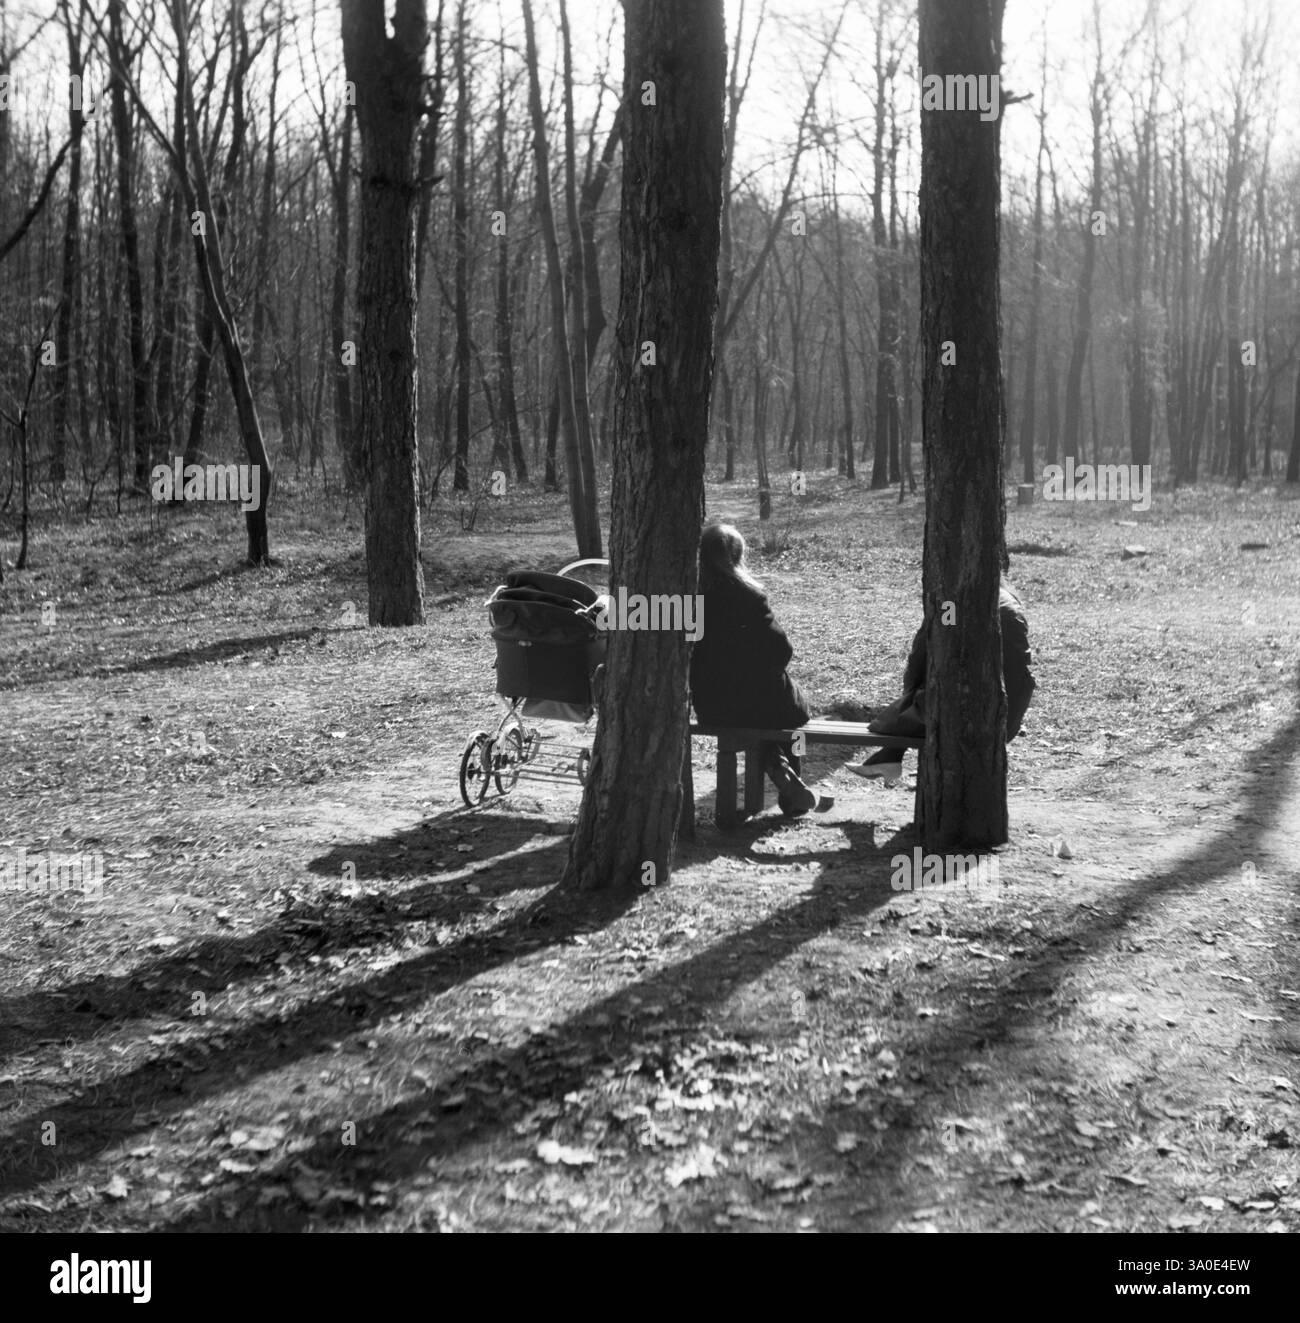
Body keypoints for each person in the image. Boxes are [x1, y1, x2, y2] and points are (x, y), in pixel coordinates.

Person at [690, 523, 833, 818]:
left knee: (763, 711)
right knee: (794, 712)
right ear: (736, 557)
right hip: (762, 706)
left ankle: (775, 764)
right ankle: (789, 785)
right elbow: (782, 650)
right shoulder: (749, 597)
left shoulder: (686, 600)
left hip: (714, 708)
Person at [851, 576, 1035, 783]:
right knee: (937, 698)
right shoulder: (1008, 602)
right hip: (1008, 715)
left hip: (972, 713)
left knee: (918, 709)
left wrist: (909, 696)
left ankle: (891, 755)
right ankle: (891, 755)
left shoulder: (952, 602)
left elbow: (924, 652)